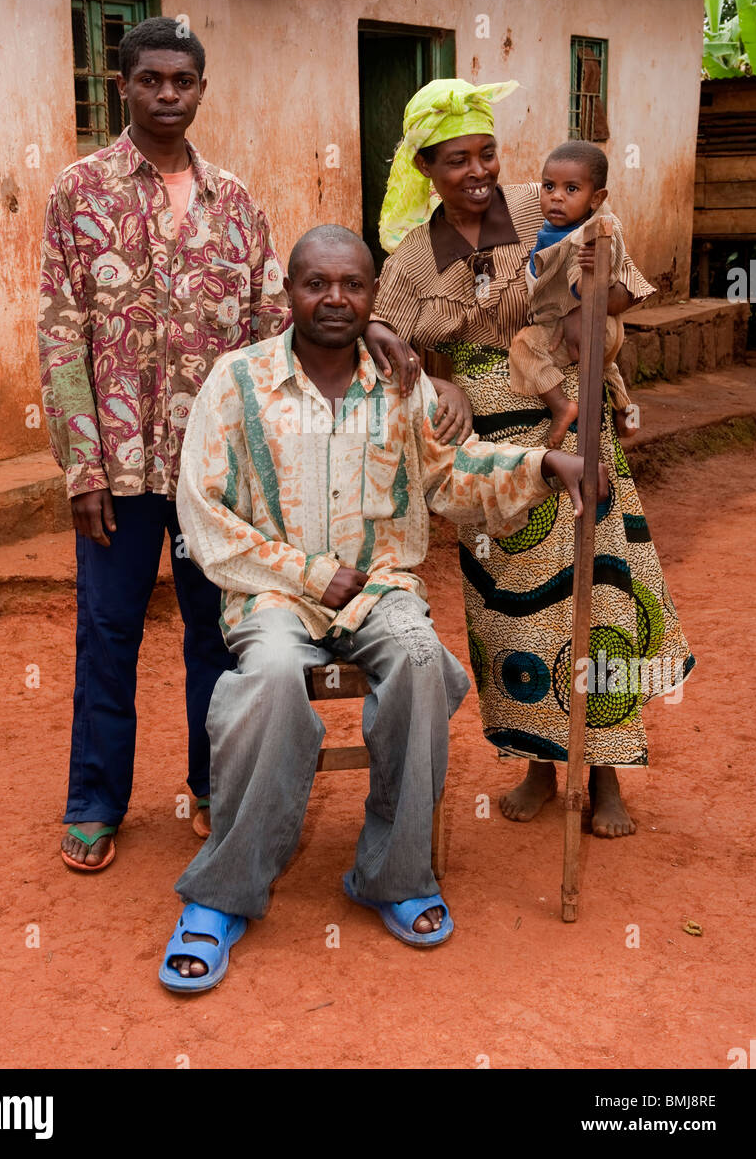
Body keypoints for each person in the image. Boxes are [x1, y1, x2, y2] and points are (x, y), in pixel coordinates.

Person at [159, 224, 600, 992]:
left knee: (422, 661)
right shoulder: (236, 383)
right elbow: (202, 515)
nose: (335, 298)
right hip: (273, 594)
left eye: (352, 284)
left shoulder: (402, 384)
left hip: (382, 589)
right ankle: (222, 894)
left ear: (373, 297)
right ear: (289, 292)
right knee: (268, 681)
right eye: (316, 283)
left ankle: (394, 875)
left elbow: (452, 476)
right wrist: (307, 572)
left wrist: (542, 464)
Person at [39, 19, 431, 870]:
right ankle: (96, 801)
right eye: (151, 80)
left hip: (225, 474)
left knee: (218, 633)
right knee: (107, 630)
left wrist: (373, 329)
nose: (167, 94)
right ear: (123, 86)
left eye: (182, 81)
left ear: (201, 90)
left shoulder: (238, 202)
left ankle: (215, 783)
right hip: (121, 466)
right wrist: (82, 465)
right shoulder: (80, 191)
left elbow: (278, 320)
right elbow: (61, 334)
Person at [374, 78, 694, 837]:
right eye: (458, 159)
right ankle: (539, 765)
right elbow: (382, 332)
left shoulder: (538, 206)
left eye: (487, 153)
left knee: (599, 597)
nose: (478, 171)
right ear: (425, 168)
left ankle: (607, 773)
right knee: (509, 613)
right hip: (484, 457)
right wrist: (439, 381)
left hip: (572, 429)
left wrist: (591, 303)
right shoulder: (412, 257)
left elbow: (617, 272)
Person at [508, 140, 635, 448]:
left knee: (523, 348)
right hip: (603, 327)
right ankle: (624, 410)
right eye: (549, 186)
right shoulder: (555, 227)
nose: (556, 197)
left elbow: (582, 285)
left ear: (596, 198)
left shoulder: (590, 234)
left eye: (571, 189)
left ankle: (561, 406)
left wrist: (593, 273)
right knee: (605, 365)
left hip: (587, 323)